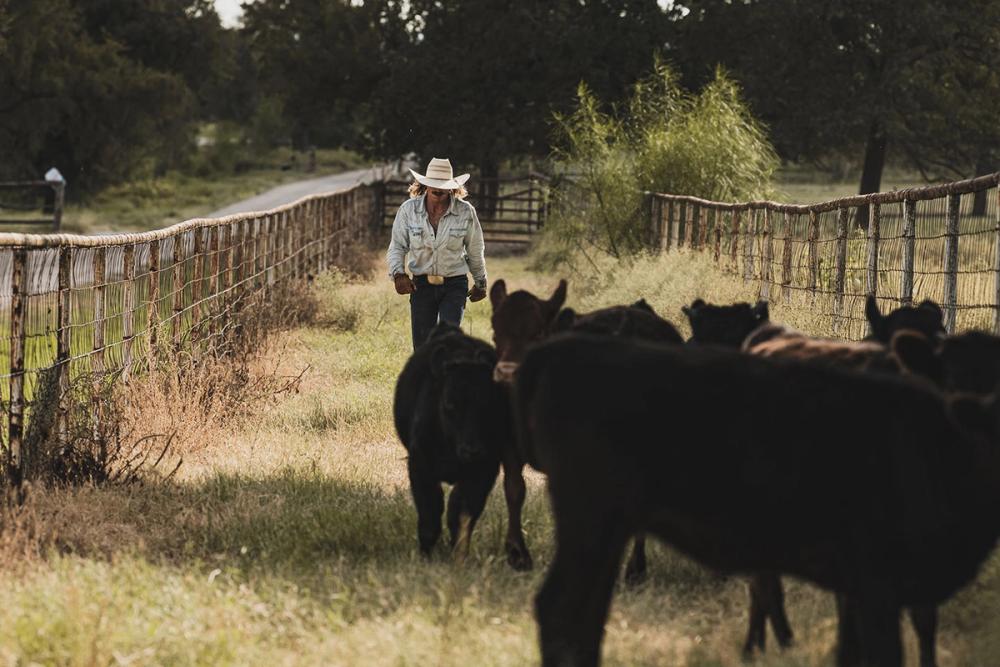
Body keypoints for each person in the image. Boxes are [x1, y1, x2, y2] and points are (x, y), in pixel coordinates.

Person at [387, 157, 488, 349]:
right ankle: (426, 379)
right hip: (421, 285)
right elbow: (397, 246)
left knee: (448, 340)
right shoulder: (408, 210)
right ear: (425, 185)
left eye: (443, 185)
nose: (438, 190)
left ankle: (446, 378)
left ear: (452, 188)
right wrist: (398, 274)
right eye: (434, 184)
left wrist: (481, 282)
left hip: (454, 284)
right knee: (422, 346)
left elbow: (475, 249)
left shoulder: (465, 212)